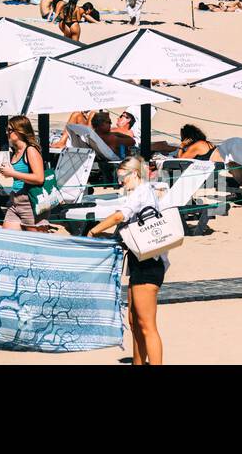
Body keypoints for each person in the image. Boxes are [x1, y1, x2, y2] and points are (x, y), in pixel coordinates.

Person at [87, 156, 166, 365]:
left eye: (122, 176)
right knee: (134, 321)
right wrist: (108, 237)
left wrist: (94, 231)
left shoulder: (140, 192)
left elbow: (118, 217)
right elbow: (129, 230)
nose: (120, 180)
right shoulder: (142, 192)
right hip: (138, 262)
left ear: (135, 174)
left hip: (149, 263)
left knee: (147, 325)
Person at [0, 116, 45, 231]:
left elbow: (39, 178)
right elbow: (16, 175)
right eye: (6, 130)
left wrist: (12, 173)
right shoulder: (16, 151)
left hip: (30, 202)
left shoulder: (30, 150)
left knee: (35, 244)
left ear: (20, 131)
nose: (7, 133)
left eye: (10, 130)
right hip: (14, 200)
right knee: (8, 241)